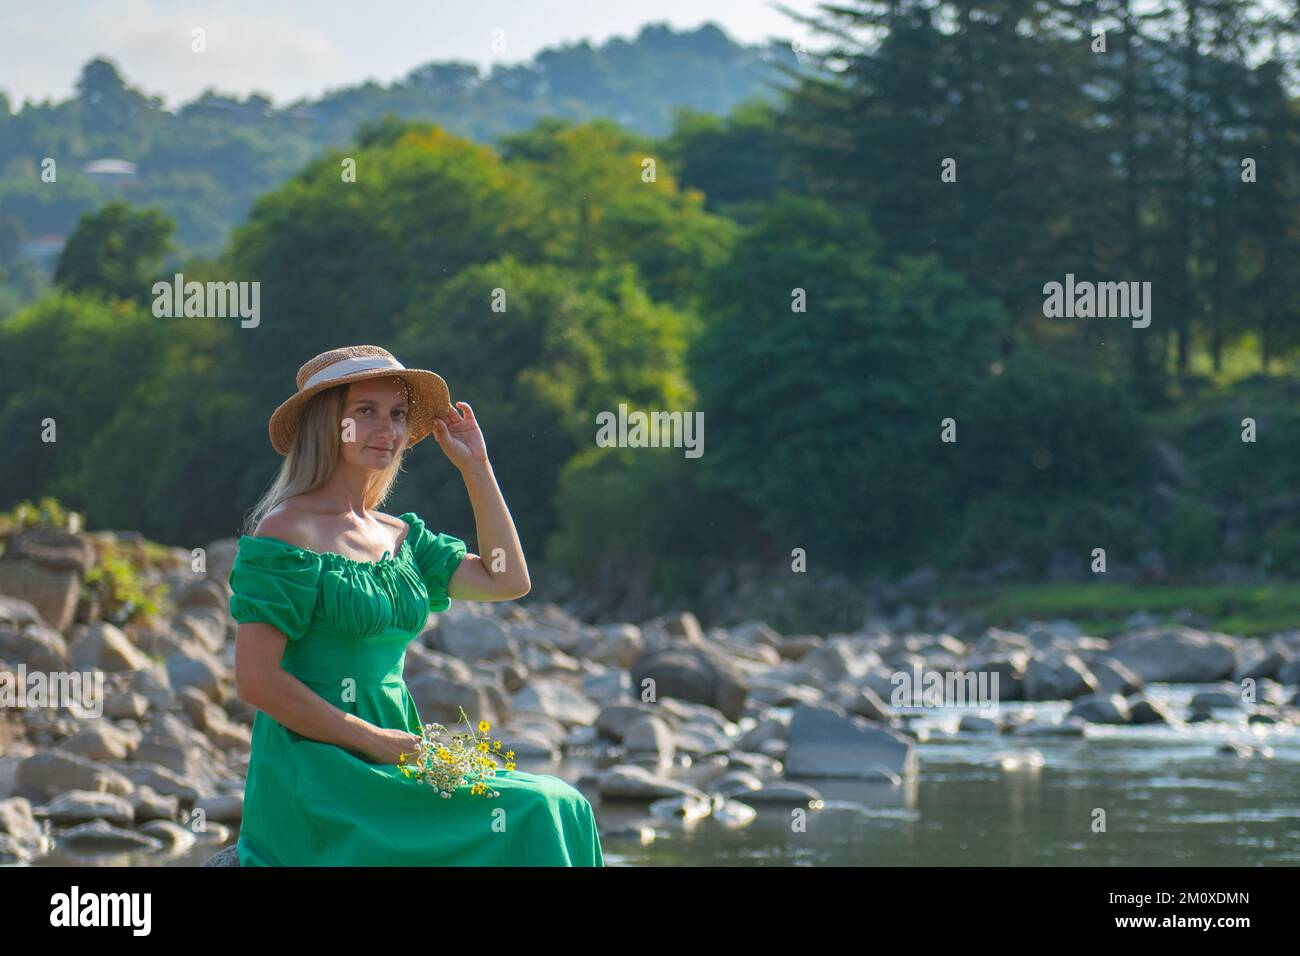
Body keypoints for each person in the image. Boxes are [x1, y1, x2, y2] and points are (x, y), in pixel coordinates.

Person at [228, 344, 604, 866]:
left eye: (398, 415)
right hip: (317, 768)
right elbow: (256, 681)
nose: (388, 429)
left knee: (568, 804)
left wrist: (477, 467)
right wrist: (374, 740)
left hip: (399, 749)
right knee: (536, 807)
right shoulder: (287, 530)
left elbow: (508, 578)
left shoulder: (401, 537)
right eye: (366, 412)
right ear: (327, 424)